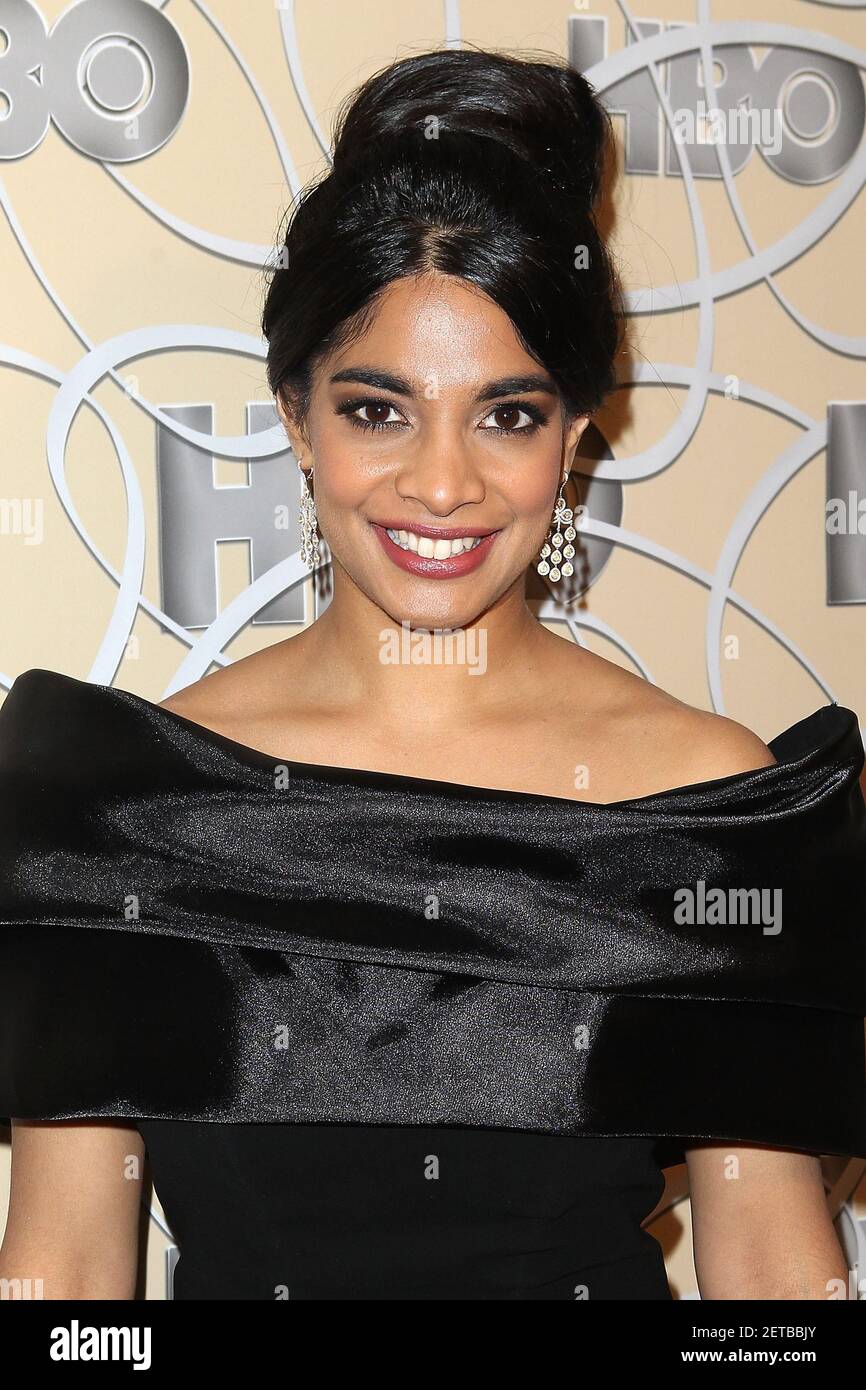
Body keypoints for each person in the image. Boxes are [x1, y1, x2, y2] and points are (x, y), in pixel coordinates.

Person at [0, 46, 864, 1302]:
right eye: (377, 409)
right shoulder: (120, 807)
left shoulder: (711, 808)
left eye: (507, 413)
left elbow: (771, 1290)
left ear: (574, 432)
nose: (443, 483)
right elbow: (67, 1284)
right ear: (294, 416)